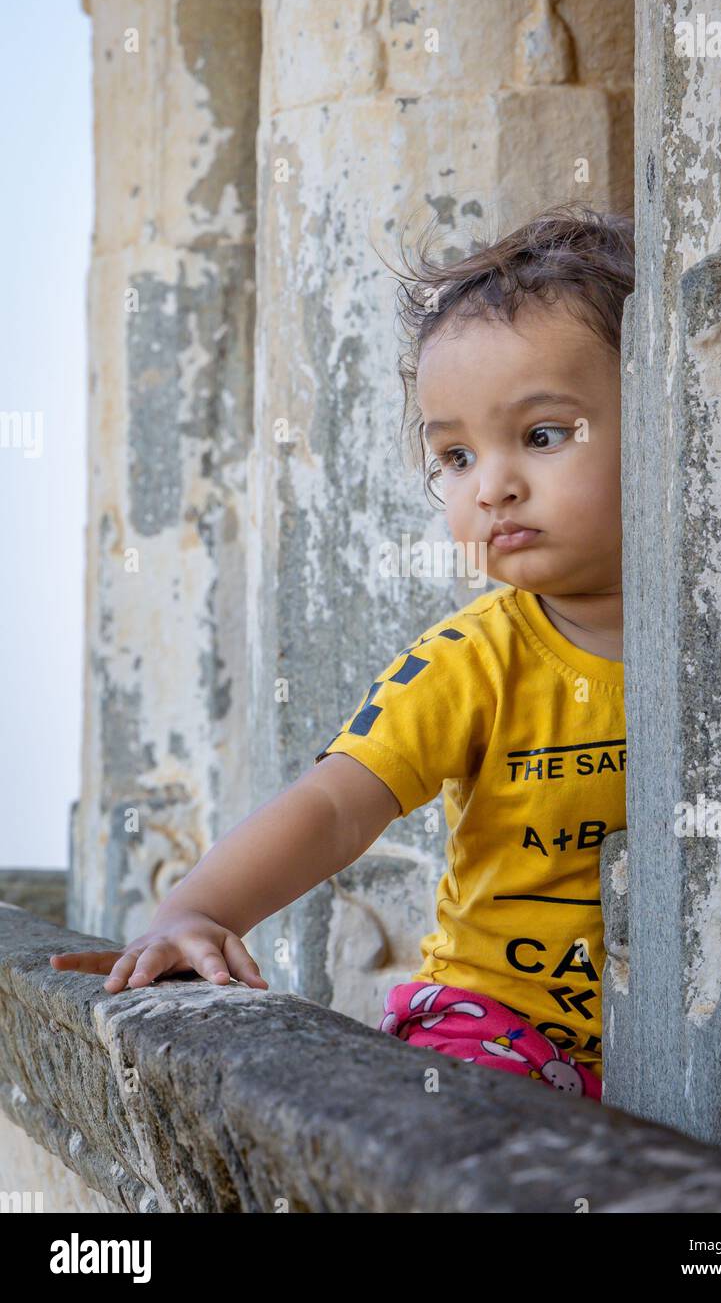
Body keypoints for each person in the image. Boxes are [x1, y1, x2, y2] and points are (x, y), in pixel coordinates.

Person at [51, 200, 634, 1100]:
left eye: (543, 436)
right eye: (455, 457)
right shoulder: (472, 660)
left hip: (666, 1043)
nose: (494, 487)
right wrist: (198, 910)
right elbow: (335, 805)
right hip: (499, 1028)